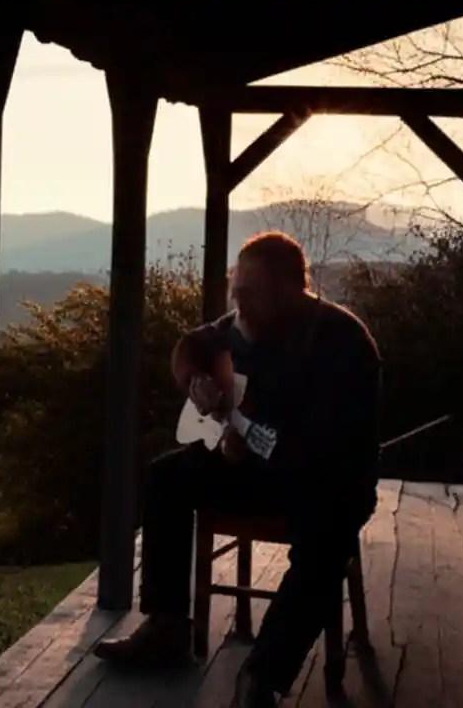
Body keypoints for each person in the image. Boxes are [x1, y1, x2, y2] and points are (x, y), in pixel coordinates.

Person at [92, 231, 381, 708]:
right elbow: (192, 344)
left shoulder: (342, 343)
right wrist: (197, 381)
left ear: (289, 290)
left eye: (249, 292)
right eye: (235, 290)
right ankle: (166, 626)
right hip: (256, 465)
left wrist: (249, 446)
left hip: (327, 483)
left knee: (326, 539)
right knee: (167, 477)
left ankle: (262, 675)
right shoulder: (243, 325)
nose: (237, 302)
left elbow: (328, 451)